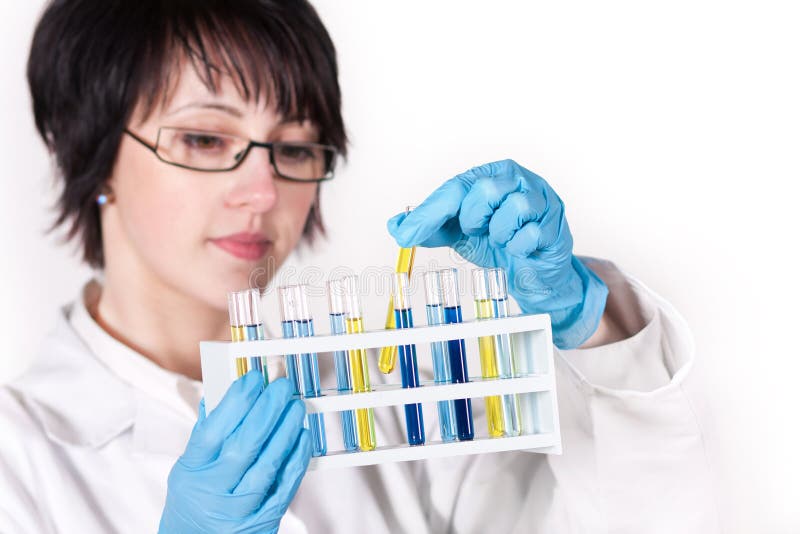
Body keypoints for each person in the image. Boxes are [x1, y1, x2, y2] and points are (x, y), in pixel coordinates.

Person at [0, 1, 719, 532]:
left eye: (293, 148)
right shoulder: (18, 462)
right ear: (88, 149)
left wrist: (591, 330)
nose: (262, 192)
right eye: (204, 139)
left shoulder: (401, 402)